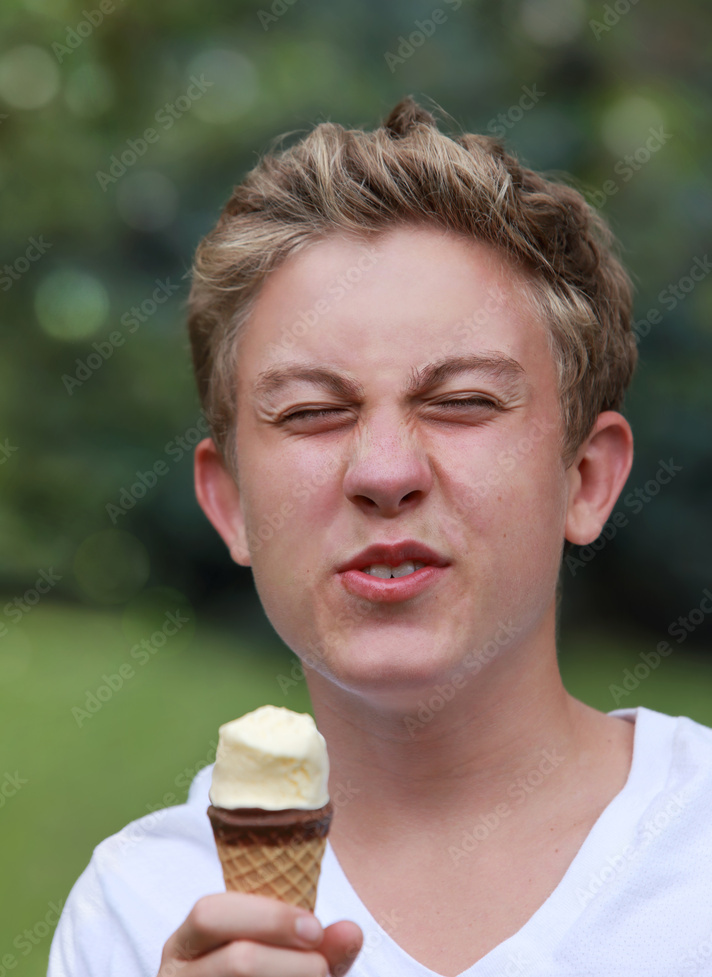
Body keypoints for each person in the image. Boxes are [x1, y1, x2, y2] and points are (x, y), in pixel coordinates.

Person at [47, 97, 712, 976]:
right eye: (313, 412)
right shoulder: (136, 911)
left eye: (463, 401)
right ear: (232, 503)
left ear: (585, 478)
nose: (384, 470)